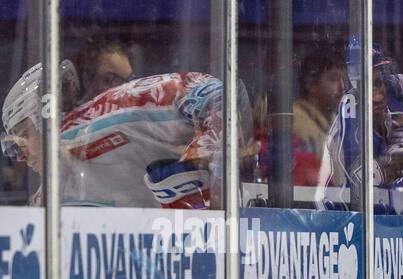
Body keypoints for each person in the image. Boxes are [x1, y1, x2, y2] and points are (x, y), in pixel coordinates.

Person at [2, 62, 232, 208]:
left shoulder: (115, 111)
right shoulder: (45, 199)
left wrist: (209, 167)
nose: (20, 157)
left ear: (45, 117)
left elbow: (216, 94)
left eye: (23, 135)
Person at [317, 39, 403, 212]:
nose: (376, 93)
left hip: (387, 213)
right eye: (363, 84)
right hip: (342, 215)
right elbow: (359, 182)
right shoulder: (349, 111)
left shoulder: (393, 113)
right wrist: (397, 162)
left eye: (378, 82)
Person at [292, 49, 346, 186]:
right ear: (311, 85)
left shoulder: (336, 122)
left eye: (343, 79)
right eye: (333, 79)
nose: (342, 87)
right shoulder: (296, 121)